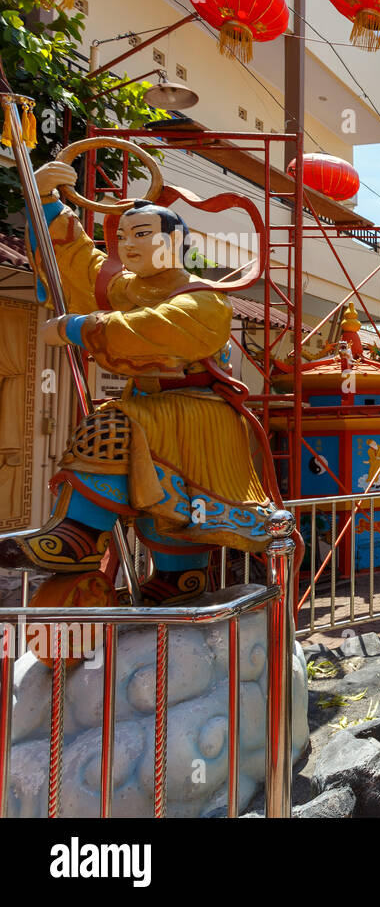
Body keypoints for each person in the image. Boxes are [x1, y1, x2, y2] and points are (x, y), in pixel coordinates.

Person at [0, 160, 274, 604]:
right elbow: (76, 261)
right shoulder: (124, 288)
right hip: (150, 408)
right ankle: (148, 567)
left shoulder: (205, 299)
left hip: (197, 414)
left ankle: (82, 538)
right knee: (154, 497)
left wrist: (78, 327)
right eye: (122, 236)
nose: (127, 244)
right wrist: (48, 202)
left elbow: (156, 330)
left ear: (175, 240)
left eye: (141, 234)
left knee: (110, 428)